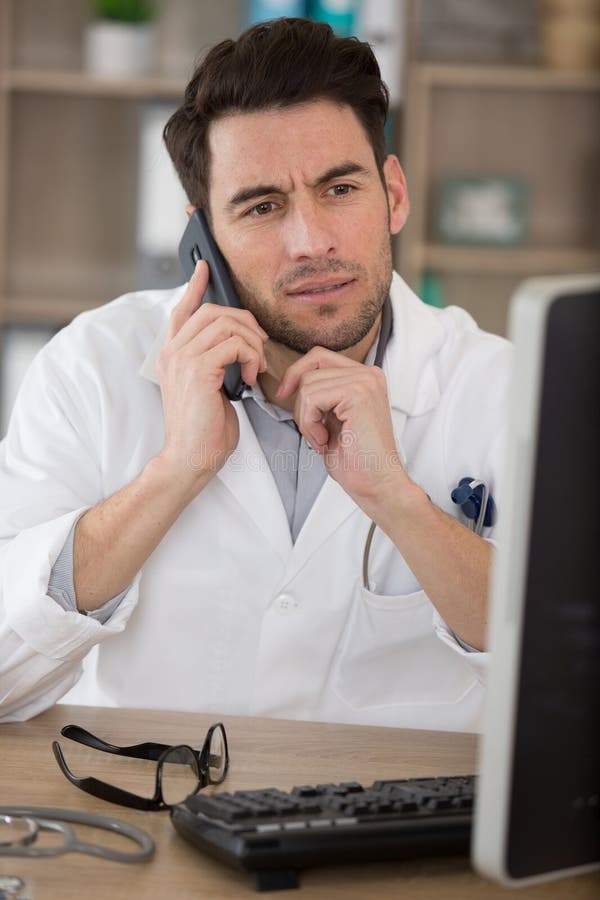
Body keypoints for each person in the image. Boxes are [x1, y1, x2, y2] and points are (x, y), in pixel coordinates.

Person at [0, 18, 510, 730]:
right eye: (263, 207)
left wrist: (397, 499)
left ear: (392, 196)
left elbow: (565, 691)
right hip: (148, 818)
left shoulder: (508, 390)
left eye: (339, 189)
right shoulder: (93, 365)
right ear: (201, 236)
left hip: (396, 837)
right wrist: (175, 471)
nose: (311, 242)